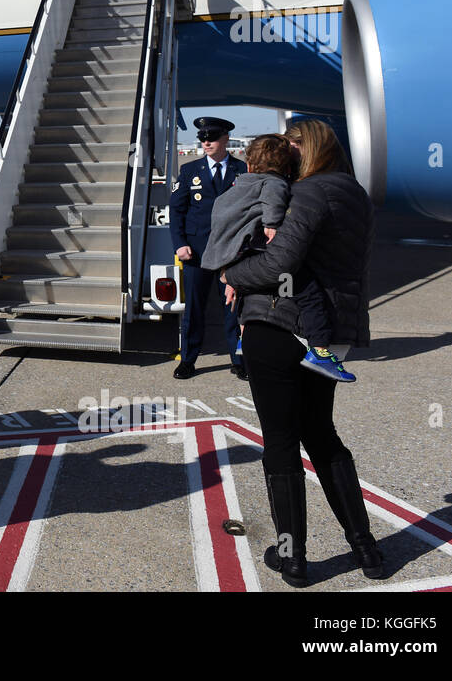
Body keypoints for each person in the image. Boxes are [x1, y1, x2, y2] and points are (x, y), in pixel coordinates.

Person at [223, 119, 384, 586]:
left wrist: (233, 275)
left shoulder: (309, 193)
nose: (285, 156)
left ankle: (293, 558)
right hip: (329, 334)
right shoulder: (353, 193)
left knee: (280, 439)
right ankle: (366, 550)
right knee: (321, 433)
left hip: (280, 326)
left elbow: (279, 262)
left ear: (306, 149)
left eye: (291, 147)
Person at [203, 134, 355, 383]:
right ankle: (319, 350)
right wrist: (273, 223)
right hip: (252, 249)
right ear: (286, 168)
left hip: (228, 254)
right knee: (309, 293)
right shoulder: (274, 182)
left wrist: (228, 264)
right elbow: (274, 196)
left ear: (249, 164)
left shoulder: (238, 185)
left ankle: (243, 337)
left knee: (244, 288)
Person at [169, 116, 247, 380]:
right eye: (202, 138)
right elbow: (177, 210)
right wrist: (180, 244)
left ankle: (239, 359)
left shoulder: (242, 170)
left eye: (211, 137)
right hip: (197, 253)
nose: (206, 142)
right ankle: (188, 360)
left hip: (231, 253)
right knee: (194, 309)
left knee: (233, 308)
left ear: (225, 139)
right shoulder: (190, 171)